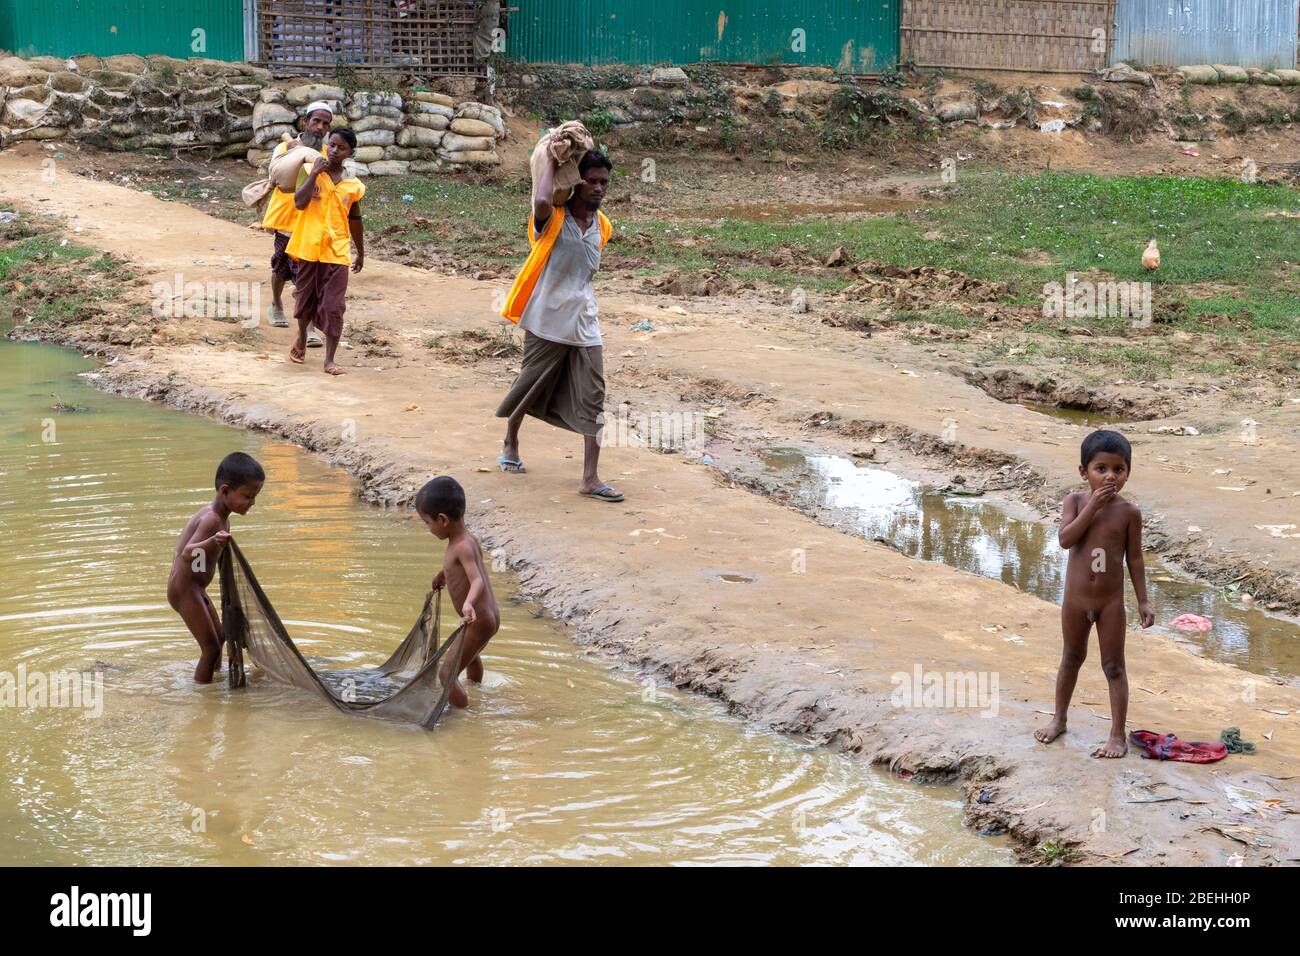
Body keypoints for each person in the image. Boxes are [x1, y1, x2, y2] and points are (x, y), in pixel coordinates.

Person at [495, 148, 623, 502]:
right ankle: (511, 439)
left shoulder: (603, 226)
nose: (598, 189)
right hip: (545, 319)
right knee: (530, 384)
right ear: (575, 182)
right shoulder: (551, 218)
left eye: (603, 183)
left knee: (595, 395)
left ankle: (590, 477)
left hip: (584, 320)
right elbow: (540, 196)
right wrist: (553, 158)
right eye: (591, 181)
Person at [1035, 430, 1154, 758]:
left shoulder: (1129, 512)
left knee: (1114, 666)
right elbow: (1065, 539)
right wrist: (1093, 507)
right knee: (1071, 658)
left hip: (1110, 602)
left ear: (1128, 472)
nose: (1110, 476)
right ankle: (1058, 719)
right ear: (1083, 471)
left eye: (1119, 469)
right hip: (1076, 600)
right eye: (1101, 468)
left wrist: (1143, 600)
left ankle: (1117, 735)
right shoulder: (1074, 501)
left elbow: (1136, 558)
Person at [167, 452, 264, 683]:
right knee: (210, 649)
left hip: (196, 588)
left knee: (219, 637)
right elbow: (188, 553)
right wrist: (213, 541)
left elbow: (205, 560)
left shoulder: (224, 519)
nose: (252, 503)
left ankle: (215, 677)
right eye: (248, 496)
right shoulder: (212, 519)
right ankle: (204, 696)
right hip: (185, 590)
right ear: (225, 491)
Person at [415, 477, 500, 709]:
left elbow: (477, 580)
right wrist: (443, 574)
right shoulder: (467, 539)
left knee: (445, 675)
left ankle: (464, 715)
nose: (428, 528)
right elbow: (464, 567)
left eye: (427, 522)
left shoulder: (460, 546)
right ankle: (476, 689)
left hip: (478, 621)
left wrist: (469, 603)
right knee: (471, 657)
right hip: (489, 618)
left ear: (442, 519)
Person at [287, 127, 365, 376]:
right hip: (308, 247)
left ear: (350, 153)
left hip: (337, 251)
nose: (334, 150)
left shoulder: (353, 185)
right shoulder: (309, 170)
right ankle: (301, 338)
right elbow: (299, 203)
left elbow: (355, 219)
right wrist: (315, 174)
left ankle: (329, 360)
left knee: (334, 306)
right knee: (305, 300)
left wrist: (360, 252)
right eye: (331, 144)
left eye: (341, 148)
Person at [262, 101, 332, 348]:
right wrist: (296, 153)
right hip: (286, 219)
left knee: (307, 275)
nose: (320, 127)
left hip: (311, 222)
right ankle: (276, 304)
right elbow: (278, 177)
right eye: (316, 121)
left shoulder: (327, 153)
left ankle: (310, 327)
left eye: (325, 124)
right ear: (306, 122)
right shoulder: (284, 146)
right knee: (281, 266)